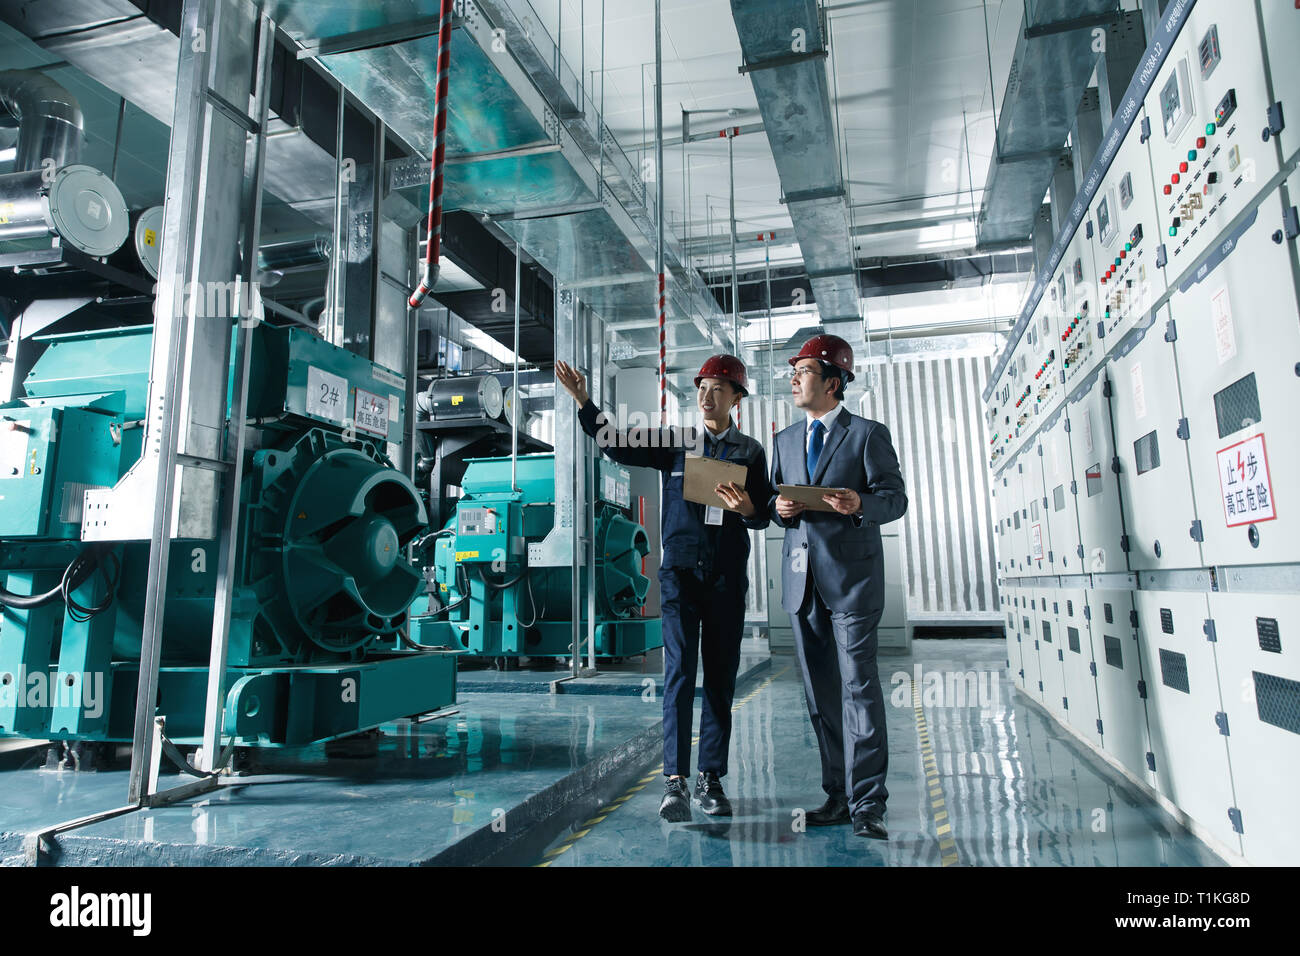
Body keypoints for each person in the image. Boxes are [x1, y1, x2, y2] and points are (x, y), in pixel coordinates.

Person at [556, 355, 771, 821]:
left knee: (718, 680)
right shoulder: (675, 442)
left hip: (726, 579)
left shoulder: (750, 452)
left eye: (718, 388)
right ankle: (674, 781)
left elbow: (763, 515)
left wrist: (747, 504)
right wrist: (584, 401)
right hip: (679, 577)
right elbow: (615, 444)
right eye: (702, 387)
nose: (707, 396)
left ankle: (709, 778)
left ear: (737, 398)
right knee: (678, 676)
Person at [768, 334, 907, 840]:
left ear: (832, 382)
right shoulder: (784, 440)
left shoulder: (867, 434)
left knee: (859, 690)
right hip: (802, 584)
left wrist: (860, 504)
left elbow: (895, 499)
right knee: (820, 694)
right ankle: (839, 795)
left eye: (802, 371)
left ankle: (869, 803)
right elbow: (774, 503)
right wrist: (778, 511)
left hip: (851, 583)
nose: (793, 378)